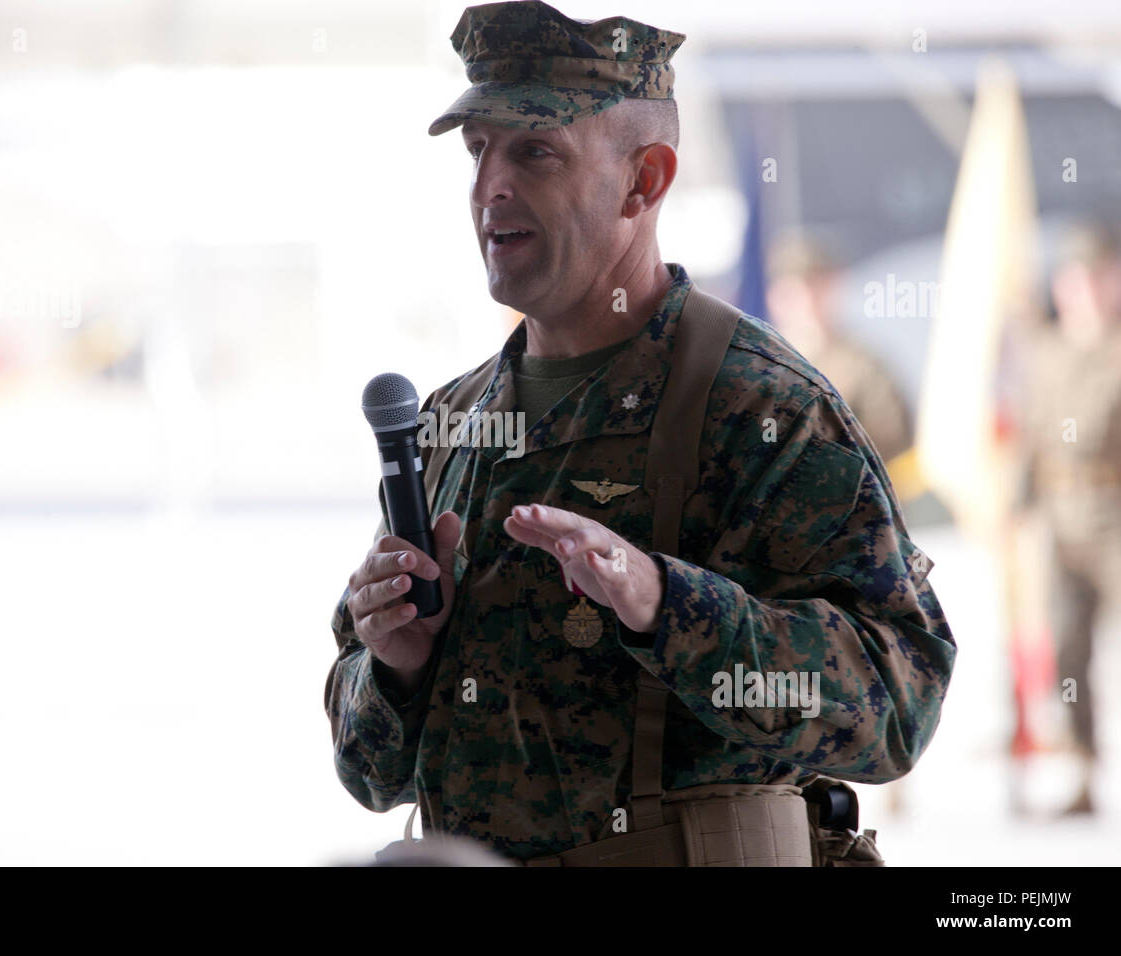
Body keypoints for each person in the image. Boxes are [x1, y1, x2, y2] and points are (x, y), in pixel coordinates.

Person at [325, 0, 956, 865]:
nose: (489, 187)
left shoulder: (762, 410)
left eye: (534, 152)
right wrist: (394, 667)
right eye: (479, 152)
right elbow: (367, 773)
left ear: (645, 180)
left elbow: (896, 701)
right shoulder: (448, 427)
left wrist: (670, 608)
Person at [1020, 221, 1121, 815]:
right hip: (1060, 517)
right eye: (1072, 277)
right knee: (1069, 651)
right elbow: (1033, 436)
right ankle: (1084, 771)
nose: (1081, 287)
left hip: (1114, 511)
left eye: (1094, 274)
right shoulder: (1046, 351)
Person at [765, 233, 913, 467]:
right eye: (796, 291)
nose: (807, 301)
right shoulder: (760, 364)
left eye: (816, 287)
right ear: (775, 297)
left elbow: (894, 441)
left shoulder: (862, 366)